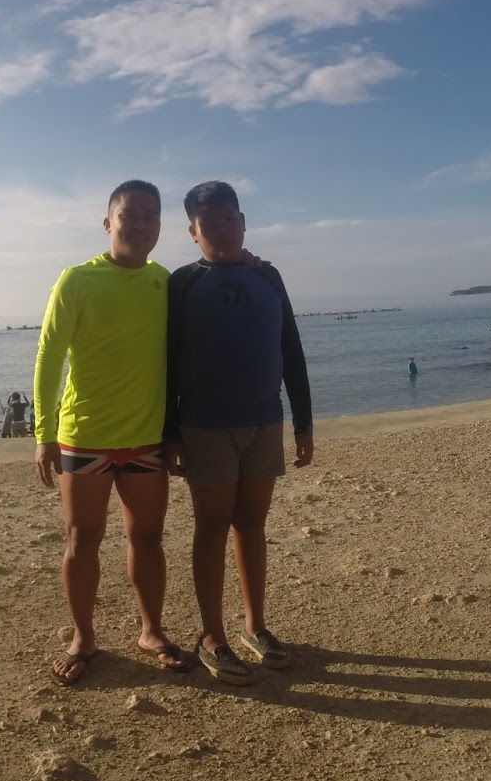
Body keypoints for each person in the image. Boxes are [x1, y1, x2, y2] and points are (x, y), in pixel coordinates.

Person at [33, 179, 192, 686]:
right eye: (130, 214)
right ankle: (83, 637)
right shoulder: (76, 280)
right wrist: (44, 432)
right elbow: (49, 356)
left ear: (161, 227)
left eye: (151, 215)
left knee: (147, 538)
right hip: (84, 437)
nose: (140, 223)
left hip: (146, 439)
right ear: (109, 223)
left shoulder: (167, 283)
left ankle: (151, 630)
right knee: (83, 539)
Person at [165, 181, 313, 685]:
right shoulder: (182, 283)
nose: (222, 232)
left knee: (252, 524)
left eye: (231, 220)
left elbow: (290, 349)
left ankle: (255, 627)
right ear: (193, 232)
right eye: (210, 224)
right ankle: (212, 636)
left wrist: (304, 422)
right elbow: (166, 362)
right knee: (211, 526)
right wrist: (171, 433)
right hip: (204, 426)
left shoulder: (269, 275)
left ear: (243, 221)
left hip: (265, 421)